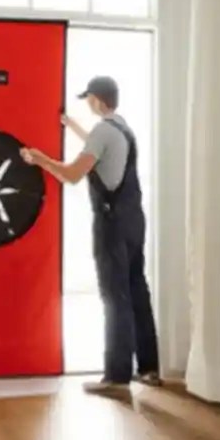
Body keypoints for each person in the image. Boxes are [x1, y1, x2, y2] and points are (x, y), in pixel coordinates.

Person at [21, 75, 160, 394]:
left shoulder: (102, 133)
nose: (87, 103)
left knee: (115, 296)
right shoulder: (122, 128)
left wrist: (37, 157)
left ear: (97, 100)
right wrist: (71, 126)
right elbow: (99, 150)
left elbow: (71, 175)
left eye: (88, 99)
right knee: (137, 290)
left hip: (111, 224)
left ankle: (117, 376)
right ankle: (149, 368)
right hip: (134, 221)